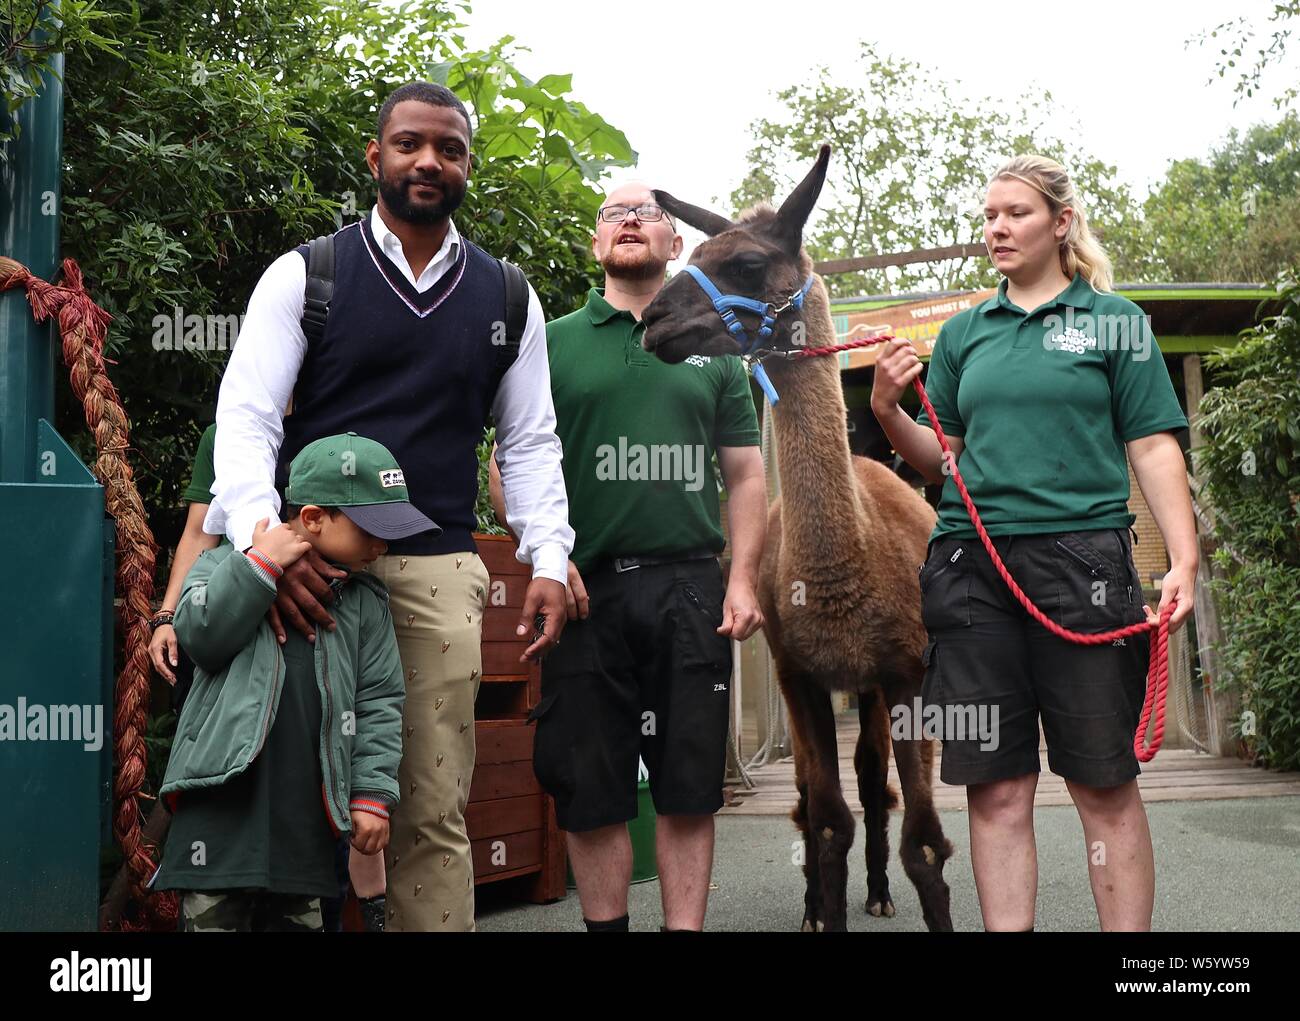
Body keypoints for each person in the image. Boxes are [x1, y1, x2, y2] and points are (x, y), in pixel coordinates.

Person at [203, 81, 574, 931]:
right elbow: (248, 418)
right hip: (310, 565)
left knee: (427, 806)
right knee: (293, 795)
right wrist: (266, 551)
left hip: (438, 565)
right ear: (377, 156)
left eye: (449, 149)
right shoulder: (309, 273)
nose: (428, 161)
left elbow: (529, 443)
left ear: (468, 166)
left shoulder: (508, 297)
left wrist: (548, 557)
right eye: (409, 144)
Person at [871, 154, 1196, 932]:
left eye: (1015, 212)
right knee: (997, 786)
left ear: (1061, 222)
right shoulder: (962, 335)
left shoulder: (1114, 321)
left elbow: (1152, 446)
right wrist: (886, 412)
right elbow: (944, 463)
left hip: (1082, 567)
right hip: (970, 573)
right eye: (988, 215)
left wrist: (1183, 557)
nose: (997, 227)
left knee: (1103, 782)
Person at [491, 182, 767, 931]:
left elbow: (745, 474)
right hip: (583, 591)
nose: (632, 222)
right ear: (595, 242)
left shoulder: (716, 347)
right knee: (590, 782)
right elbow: (507, 462)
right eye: (615, 214)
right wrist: (549, 554)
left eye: (649, 214)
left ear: (675, 245)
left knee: (688, 783)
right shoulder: (549, 341)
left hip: (690, 589)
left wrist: (741, 579)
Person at [154, 433, 428, 931]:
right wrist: (259, 565)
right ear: (313, 519)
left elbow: (379, 702)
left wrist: (371, 795)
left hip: (305, 821)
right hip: (218, 812)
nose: (382, 543)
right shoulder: (222, 565)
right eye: (370, 527)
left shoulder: (366, 602)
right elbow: (201, 635)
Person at [149, 423, 222, 705]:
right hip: (220, 602)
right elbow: (199, 533)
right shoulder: (221, 434)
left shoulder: (323, 425)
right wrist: (167, 616)